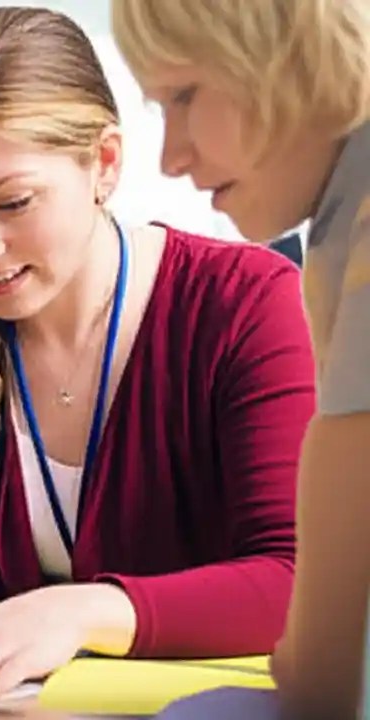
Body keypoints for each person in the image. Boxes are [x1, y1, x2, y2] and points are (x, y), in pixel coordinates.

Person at [0, 6, 317, 703]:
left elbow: (296, 582)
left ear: (103, 163)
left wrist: (81, 612)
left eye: (12, 203)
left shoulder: (248, 305)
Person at [111, 1, 370, 716]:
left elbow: (321, 677)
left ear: (290, 50)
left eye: (184, 97)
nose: (170, 157)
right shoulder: (335, 225)